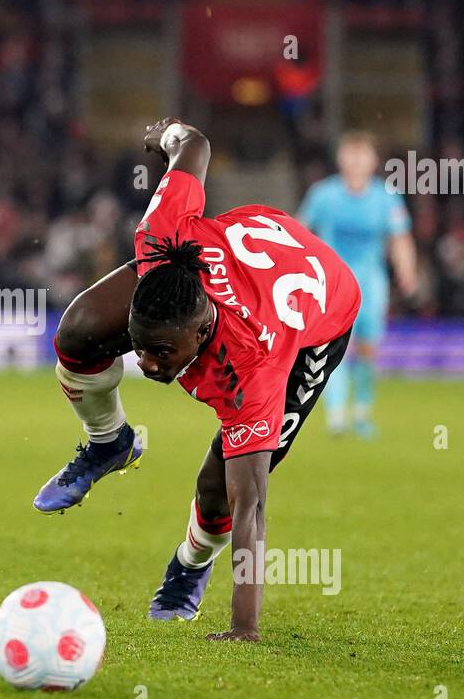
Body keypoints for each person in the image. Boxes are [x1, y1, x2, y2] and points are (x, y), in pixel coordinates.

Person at [37, 118, 361, 640]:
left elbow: (251, 510)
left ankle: (188, 568)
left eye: (161, 353)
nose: (146, 363)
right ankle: (108, 443)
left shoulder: (255, 367)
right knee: (79, 331)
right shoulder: (160, 238)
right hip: (237, 253)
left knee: (220, 490)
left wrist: (243, 628)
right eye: (139, 346)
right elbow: (195, 144)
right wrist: (163, 133)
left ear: (202, 330)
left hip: (316, 322)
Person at [297, 131, 416, 438]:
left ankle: (362, 413)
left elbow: (399, 239)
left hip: (370, 283)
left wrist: (407, 272)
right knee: (331, 346)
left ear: (373, 160)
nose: (355, 161)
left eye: (362, 155)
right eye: (350, 154)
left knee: (367, 349)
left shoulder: (386, 197)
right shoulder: (323, 195)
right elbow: (299, 233)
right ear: (341, 159)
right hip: (331, 283)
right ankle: (336, 415)